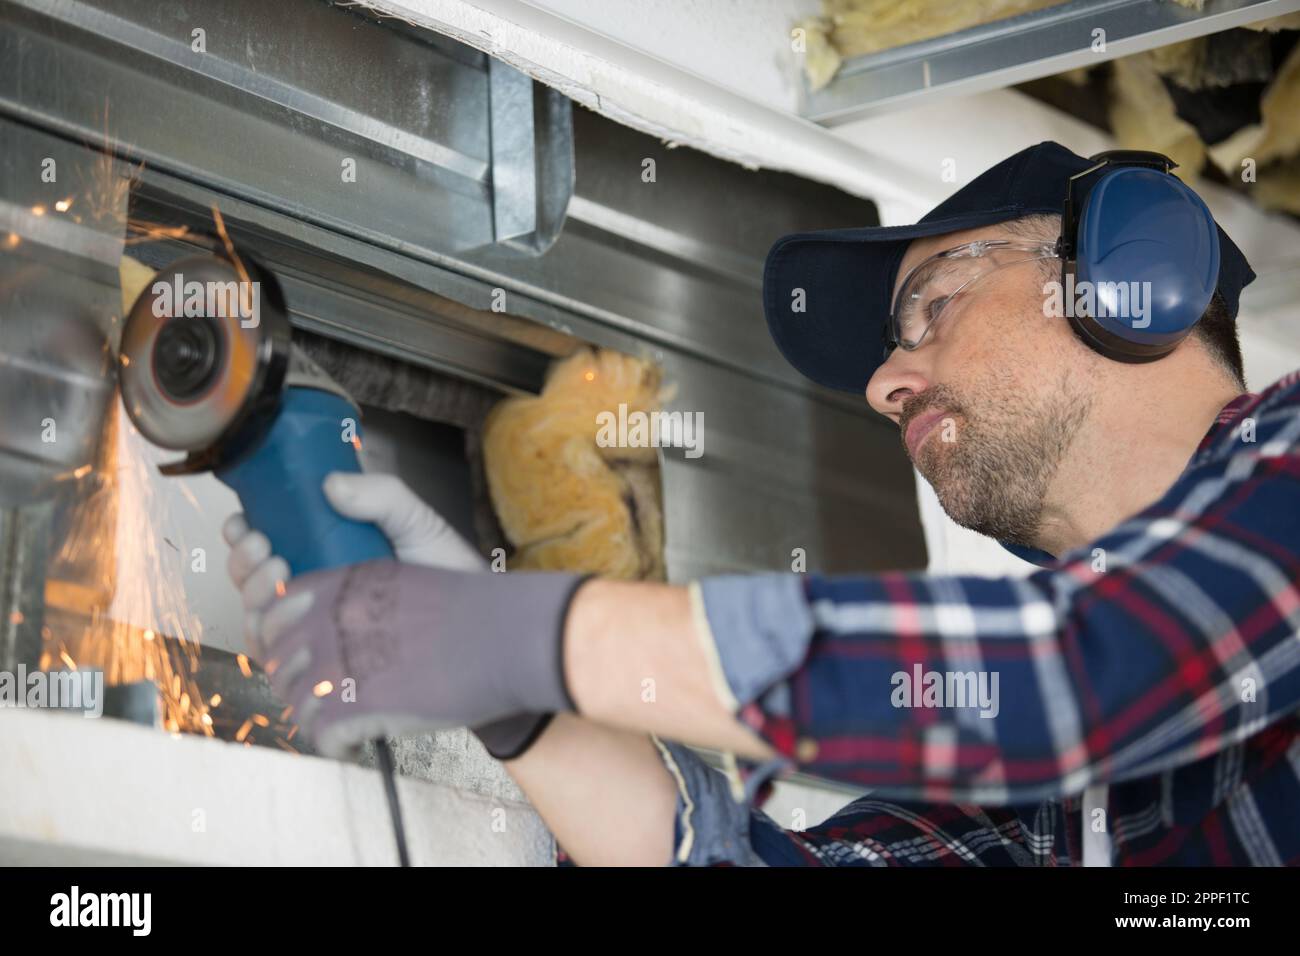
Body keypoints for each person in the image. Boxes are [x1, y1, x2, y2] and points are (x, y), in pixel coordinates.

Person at [224, 142, 1300, 866]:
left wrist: (526, 633)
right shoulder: (1037, 798)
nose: (884, 384)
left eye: (931, 303)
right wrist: (512, 702)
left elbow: (1078, 673)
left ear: (1131, 270)